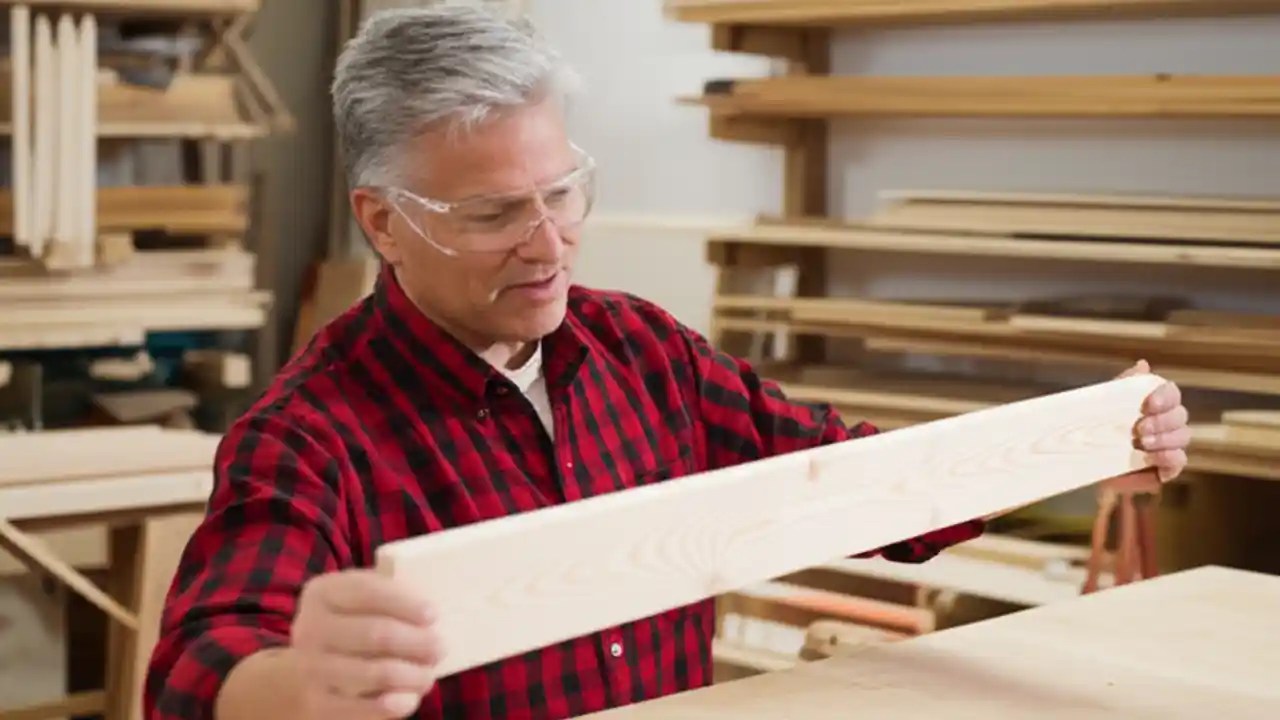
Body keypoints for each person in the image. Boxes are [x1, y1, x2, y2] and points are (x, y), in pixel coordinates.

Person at [143, 7, 1191, 720]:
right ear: (382, 222)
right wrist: (296, 683)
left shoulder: (638, 352)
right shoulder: (308, 435)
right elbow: (196, 669)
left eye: (560, 193)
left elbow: (865, 489)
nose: (550, 244)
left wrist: (1077, 447)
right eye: (494, 214)